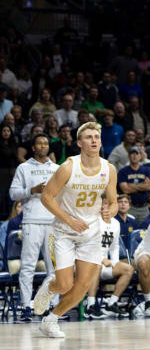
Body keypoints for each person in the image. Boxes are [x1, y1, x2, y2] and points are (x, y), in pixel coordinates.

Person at [33, 122, 118, 338]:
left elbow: (113, 201)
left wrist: (111, 212)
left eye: (96, 137)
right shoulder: (68, 167)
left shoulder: (109, 169)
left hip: (91, 233)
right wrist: (70, 220)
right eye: (89, 137)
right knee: (64, 284)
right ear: (79, 143)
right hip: (62, 231)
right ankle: (50, 287)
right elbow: (46, 197)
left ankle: (51, 320)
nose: (94, 140)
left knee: (81, 287)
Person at [8, 133, 58, 321]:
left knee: (54, 268)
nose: (43, 145)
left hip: (53, 224)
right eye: (39, 143)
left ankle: (50, 306)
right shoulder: (24, 167)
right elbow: (13, 194)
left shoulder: (57, 169)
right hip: (31, 222)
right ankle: (26, 306)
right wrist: (32, 190)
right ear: (33, 147)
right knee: (28, 265)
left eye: (46, 143)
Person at [84, 193, 134, 319]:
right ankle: (90, 305)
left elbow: (115, 246)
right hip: (86, 262)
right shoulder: (91, 220)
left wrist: (115, 262)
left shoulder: (115, 223)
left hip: (104, 263)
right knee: (96, 266)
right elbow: (85, 246)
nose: (103, 207)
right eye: (100, 204)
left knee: (128, 269)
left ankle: (111, 303)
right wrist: (101, 259)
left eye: (106, 204)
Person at [117, 146, 150, 223]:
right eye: (132, 154)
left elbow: (149, 187)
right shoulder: (123, 171)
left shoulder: (147, 170)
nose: (134, 156)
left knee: (145, 231)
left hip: (144, 207)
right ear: (128, 156)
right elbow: (125, 190)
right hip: (130, 207)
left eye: (136, 154)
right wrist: (143, 185)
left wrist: (130, 185)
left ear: (140, 156)